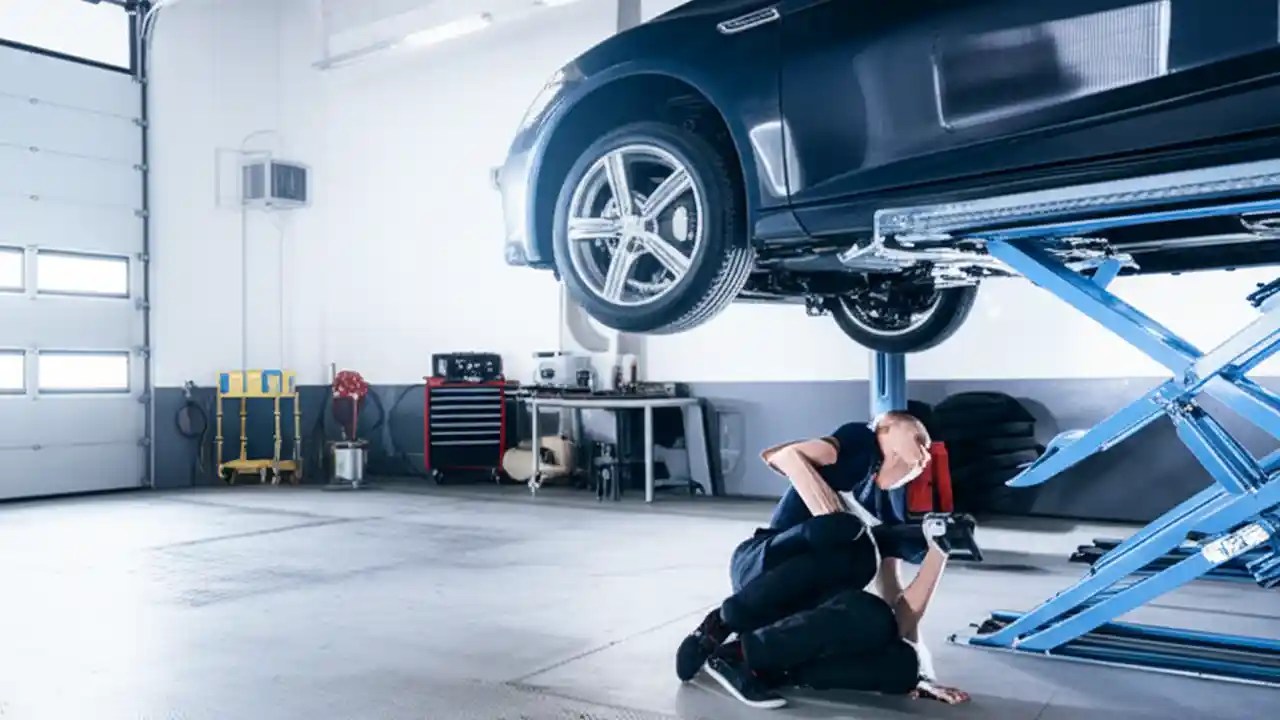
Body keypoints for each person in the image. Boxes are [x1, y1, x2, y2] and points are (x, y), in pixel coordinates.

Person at [674, 411, 970, 709]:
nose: (925, 455)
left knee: (890, 642)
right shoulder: (860, 443)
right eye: (918, 438)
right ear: (886, 427)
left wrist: (940, 550)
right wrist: (840, 516)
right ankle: (721, 623)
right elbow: (783, 456)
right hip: (764, 568)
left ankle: (745, 657)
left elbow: (900, 620)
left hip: (800, 603)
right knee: (847, 532)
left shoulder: (881, 516)